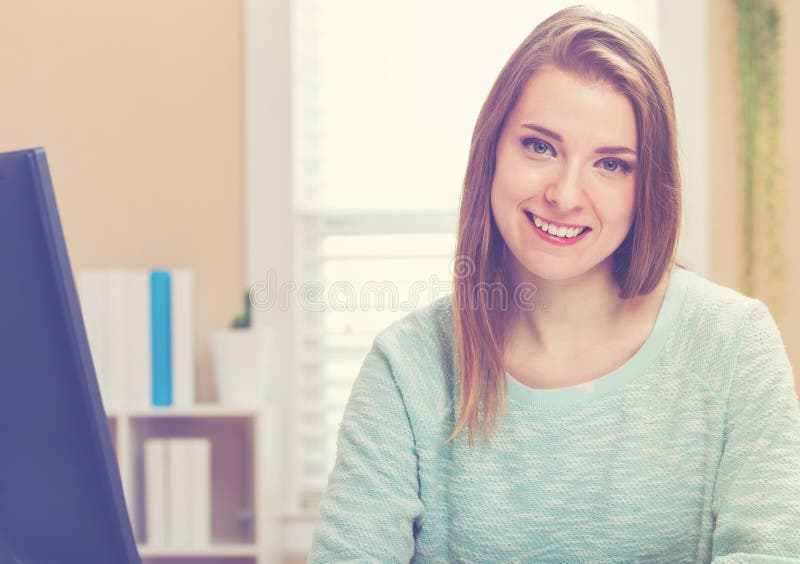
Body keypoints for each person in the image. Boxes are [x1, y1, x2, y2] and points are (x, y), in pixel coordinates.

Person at [308, 5, 800, 562]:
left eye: (611, 164)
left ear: (649, 186)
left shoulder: (734, 346)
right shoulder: (406, 367)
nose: (565, 195)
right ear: (492, 150)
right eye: (540, 146)